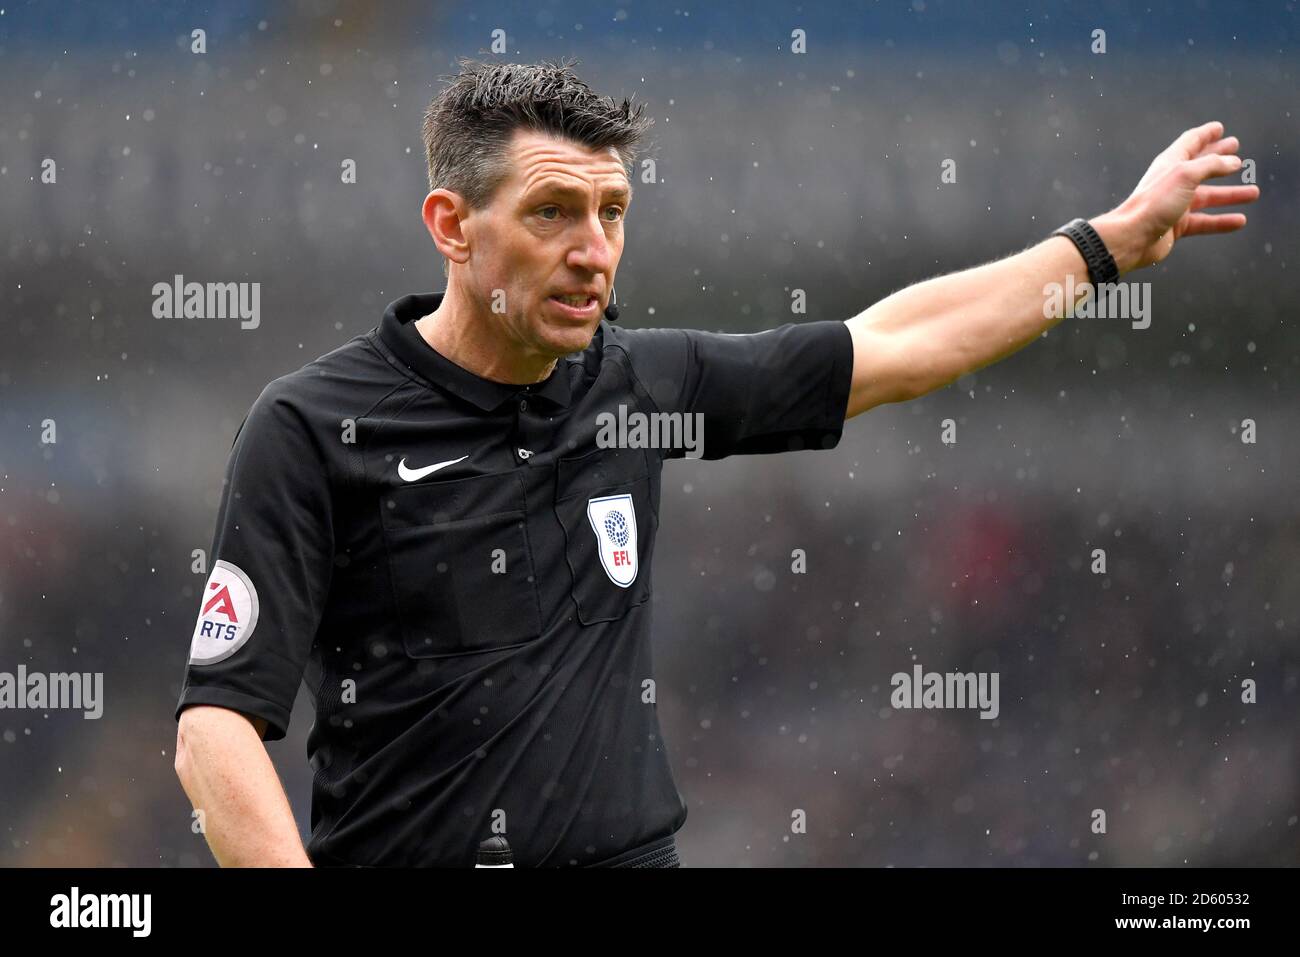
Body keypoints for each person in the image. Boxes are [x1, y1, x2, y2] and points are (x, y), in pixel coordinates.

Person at [172, 58, 1258, 867]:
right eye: (551, 213)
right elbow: (216, 730)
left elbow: (898, 345)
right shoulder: (313, 428)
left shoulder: (637, 389)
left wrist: (1106, 244)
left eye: (611, 213)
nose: (592, 250)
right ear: (451, 224)